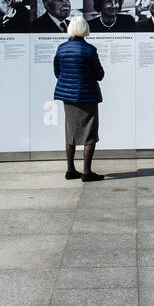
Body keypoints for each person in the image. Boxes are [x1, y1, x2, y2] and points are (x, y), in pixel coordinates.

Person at [52, 15, 105, 182]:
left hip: (68, 97)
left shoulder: (61, 48)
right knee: (89, 134)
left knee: (71, 133)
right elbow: (99, 75)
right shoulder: (90, 50)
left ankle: (70, 170)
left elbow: (57, 72)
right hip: (87, 96)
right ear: (85, 29)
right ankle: (87, 172)